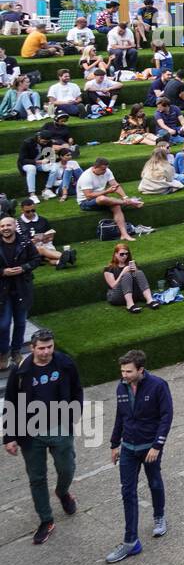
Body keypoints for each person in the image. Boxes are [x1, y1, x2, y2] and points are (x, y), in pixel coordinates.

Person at [2, 329, 82, 545]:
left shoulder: (65, 363)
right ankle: (46, 520)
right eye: (41, 348)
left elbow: (77, 389)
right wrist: (9, 436)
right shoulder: (20, 371)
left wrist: (74, 414)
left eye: (50, 347)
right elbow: (10, 403)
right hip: (30, 434)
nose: (46, 352)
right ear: (33, 348)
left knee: (67, 468)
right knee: (37, 478)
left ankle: (62, 492)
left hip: (60, 428)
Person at [105, 349, 173, 563]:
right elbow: (120, 416)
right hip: (128, 448)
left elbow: (166, 416)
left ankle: (159, 516)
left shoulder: (158, 386)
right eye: (122, 370)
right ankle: (131, 541)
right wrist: (114, 444)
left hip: (149, 448)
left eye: (128, 371)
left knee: (154, 482)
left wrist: (157, 446)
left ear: (140, 370)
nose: (124, 375)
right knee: (127, 492)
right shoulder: (121, 387)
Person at [0, 216, 41, 370]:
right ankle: (3, 353)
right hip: (2, 292)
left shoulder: (25, 242)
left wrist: (24, 268)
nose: (5, 228)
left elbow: (36, 259)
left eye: (8, 225)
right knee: (3, 325)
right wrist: (3, 272)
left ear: (14, 226)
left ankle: (16, 352)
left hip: (21, 289)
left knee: (20, 323)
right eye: (2, 226)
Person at [77, 158, 143, 241]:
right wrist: (107, 191)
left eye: (106, 168)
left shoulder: (107, 171)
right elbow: (88, 196)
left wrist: (125, 197)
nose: (105, 171)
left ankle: (124, 234)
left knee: (116, 206)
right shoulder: (86, 176)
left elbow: (115, 185)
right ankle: (128, 202)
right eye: (102, 169)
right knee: (102, 198)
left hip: (104, 198)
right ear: (95, 167)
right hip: (86, 203)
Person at [17, 198, 75, 268]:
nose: (31, 213)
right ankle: (67, 255)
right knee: (41, 249)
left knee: (49, 257)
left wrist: (48, 238)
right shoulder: (17, 223)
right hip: (29, 249)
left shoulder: (42, 220)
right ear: (22, 210)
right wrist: (30, 242)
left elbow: (50, 234)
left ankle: (58, 262)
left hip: (45, 245)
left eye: (33, 210)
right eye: (27, 211)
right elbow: (17, 242)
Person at [103, 244, 162, 311]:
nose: (124, 256)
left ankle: (150, 300)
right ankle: (130, 305)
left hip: (134, 293)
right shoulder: (109, 269)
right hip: (118, 296)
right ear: (116, 254)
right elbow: (113, 286)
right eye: (121, 254)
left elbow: (138, 281)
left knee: (139, 272)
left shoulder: (131, 264)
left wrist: (135, 270)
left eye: (126, 254)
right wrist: (123, 272)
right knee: (127, 275)